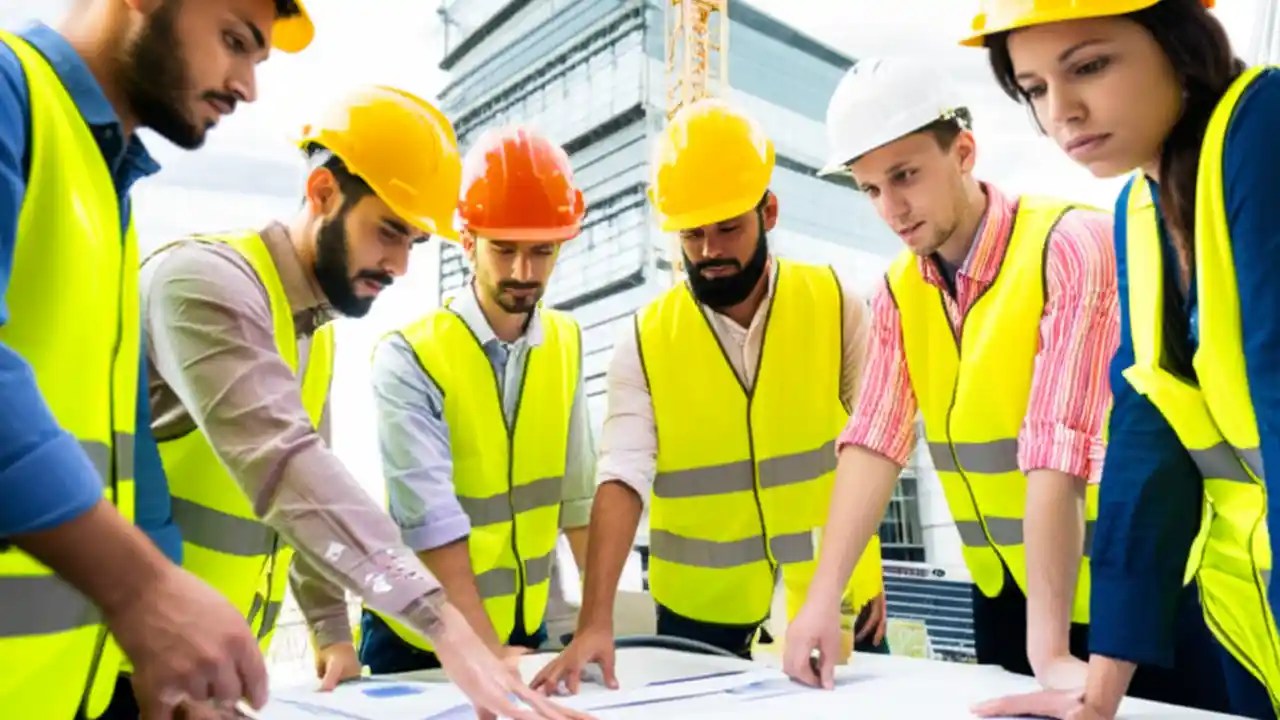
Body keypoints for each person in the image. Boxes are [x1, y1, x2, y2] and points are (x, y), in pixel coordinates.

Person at [784, 55, 1229, 712]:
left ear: (963, 151)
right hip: (1005, 599)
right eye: (870, 189)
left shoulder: (1071, 246)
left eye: (905, 175)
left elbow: (1058, 448)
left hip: (1130, 600)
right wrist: (823, 605)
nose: (891, 209)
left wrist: (1048, 653)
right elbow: (874, 440)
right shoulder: (897, 296)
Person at [130, 88, 589, 720]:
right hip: (126, 665)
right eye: (389, 232)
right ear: (322, 194)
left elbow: (302, 488)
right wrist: (444, 624)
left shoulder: (309, 330)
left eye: (414, 243)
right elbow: (285, 467)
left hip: (204, 670)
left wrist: (328, 630)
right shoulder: (207, 284)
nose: (399, 264)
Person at [963, 1, 1280, 718]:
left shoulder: (1265, 131)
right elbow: (1146, 447)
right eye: (1035, 88)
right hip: (1251, 633)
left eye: (1091, 66)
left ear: (1181, 39)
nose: (1062, 113)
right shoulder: (1141, 210)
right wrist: (1098, 694)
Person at [0, 1, 315, 718]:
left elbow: (126, 457)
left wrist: (168, 659)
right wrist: (144, 591)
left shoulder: (108, 187)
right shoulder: (8, 91)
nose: (248, 86)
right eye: (235, 41)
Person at [530, 98, 887, 696]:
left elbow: (878, 445)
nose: (709, 251)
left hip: (831, 595)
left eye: (728, 228)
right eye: (692, 234)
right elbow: (622, 475)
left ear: (768, 212)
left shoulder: (836, 303)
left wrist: (867, 569)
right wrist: (596, 619)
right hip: (697, 614)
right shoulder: (643, 341)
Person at [357, 125, 594, 674]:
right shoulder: (408, 356)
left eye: (541, 251)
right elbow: (430, 520)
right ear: (467, 242)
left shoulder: (567, 342)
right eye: (504, 250)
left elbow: (578, 497)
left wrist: (596, 621)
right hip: (420, 638)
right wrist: (482, 649)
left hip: (520, 627)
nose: (522, 272)